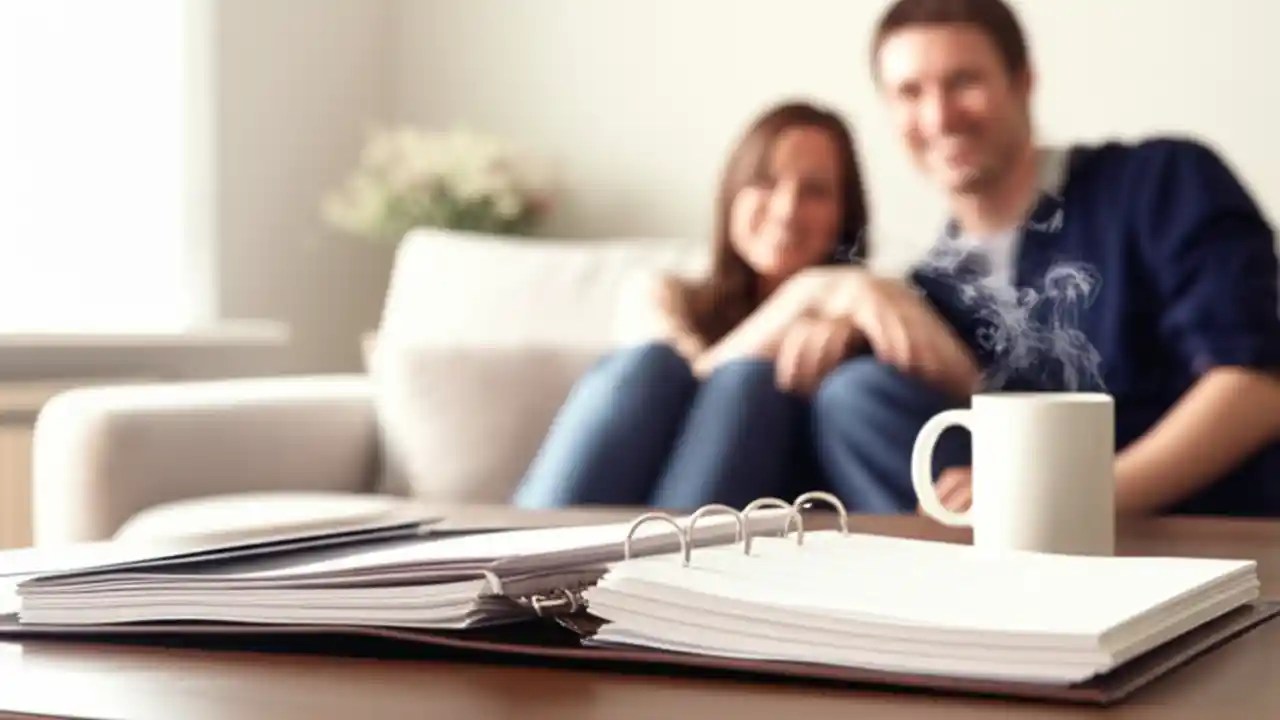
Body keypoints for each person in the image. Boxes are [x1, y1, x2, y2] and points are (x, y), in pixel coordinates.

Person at [805, 0, 1280, 517]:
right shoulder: (928, 294)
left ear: (1023, 82)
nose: (939, 116)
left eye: (964, 81)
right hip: (1014, 539)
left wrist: (1067, 501)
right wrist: (849, 294)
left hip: (1199, 533)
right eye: (910, 93)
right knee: (854, 394)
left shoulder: (1161, 182)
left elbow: (1257, 384)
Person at [512, 101, 872, 510]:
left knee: (750, 382)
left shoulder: (858, 318)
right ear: (732, 191)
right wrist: (803, 297)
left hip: (762, 514)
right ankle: (526, 544)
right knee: (653, 363)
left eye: (816, 191)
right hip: (587, 519)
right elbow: (693, 374)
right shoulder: (662, 293)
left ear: (846, 215)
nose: (787, 209)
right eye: (765, 181)